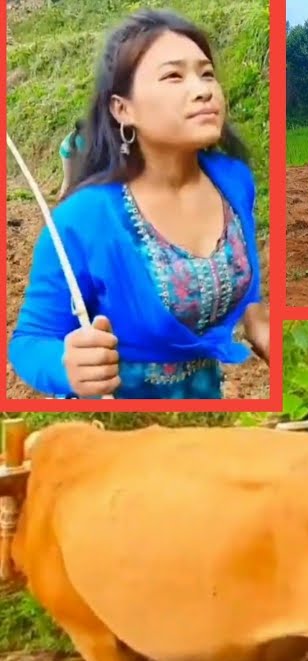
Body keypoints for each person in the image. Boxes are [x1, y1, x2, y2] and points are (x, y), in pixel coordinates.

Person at [8, 9, 269, 400]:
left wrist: (257, 320)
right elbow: (29, 341)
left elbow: (250, 295)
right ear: (122, 109)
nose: (203, 90)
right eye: (173, 76)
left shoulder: (233, 181)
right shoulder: (81, 220)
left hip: (206, 407)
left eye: (207, 73)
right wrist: (66, 364)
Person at [56, 119, 86, 202]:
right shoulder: (80, 139)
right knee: (69, 180)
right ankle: (61, 199)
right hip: (67, 154)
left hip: (73, 154)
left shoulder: (84, 136)